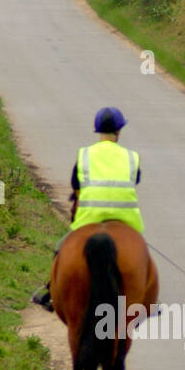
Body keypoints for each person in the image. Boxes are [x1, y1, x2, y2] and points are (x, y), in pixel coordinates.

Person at [31, 106, 143, 311]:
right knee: (141, 256)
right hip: (125, 221)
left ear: (98, 131)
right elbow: (135, 181)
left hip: (89, 220)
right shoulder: (131, 157)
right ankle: (147, 299)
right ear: (119, 131)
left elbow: (76, 185)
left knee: (61, 248)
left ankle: (51, 292)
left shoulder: (84, 156)